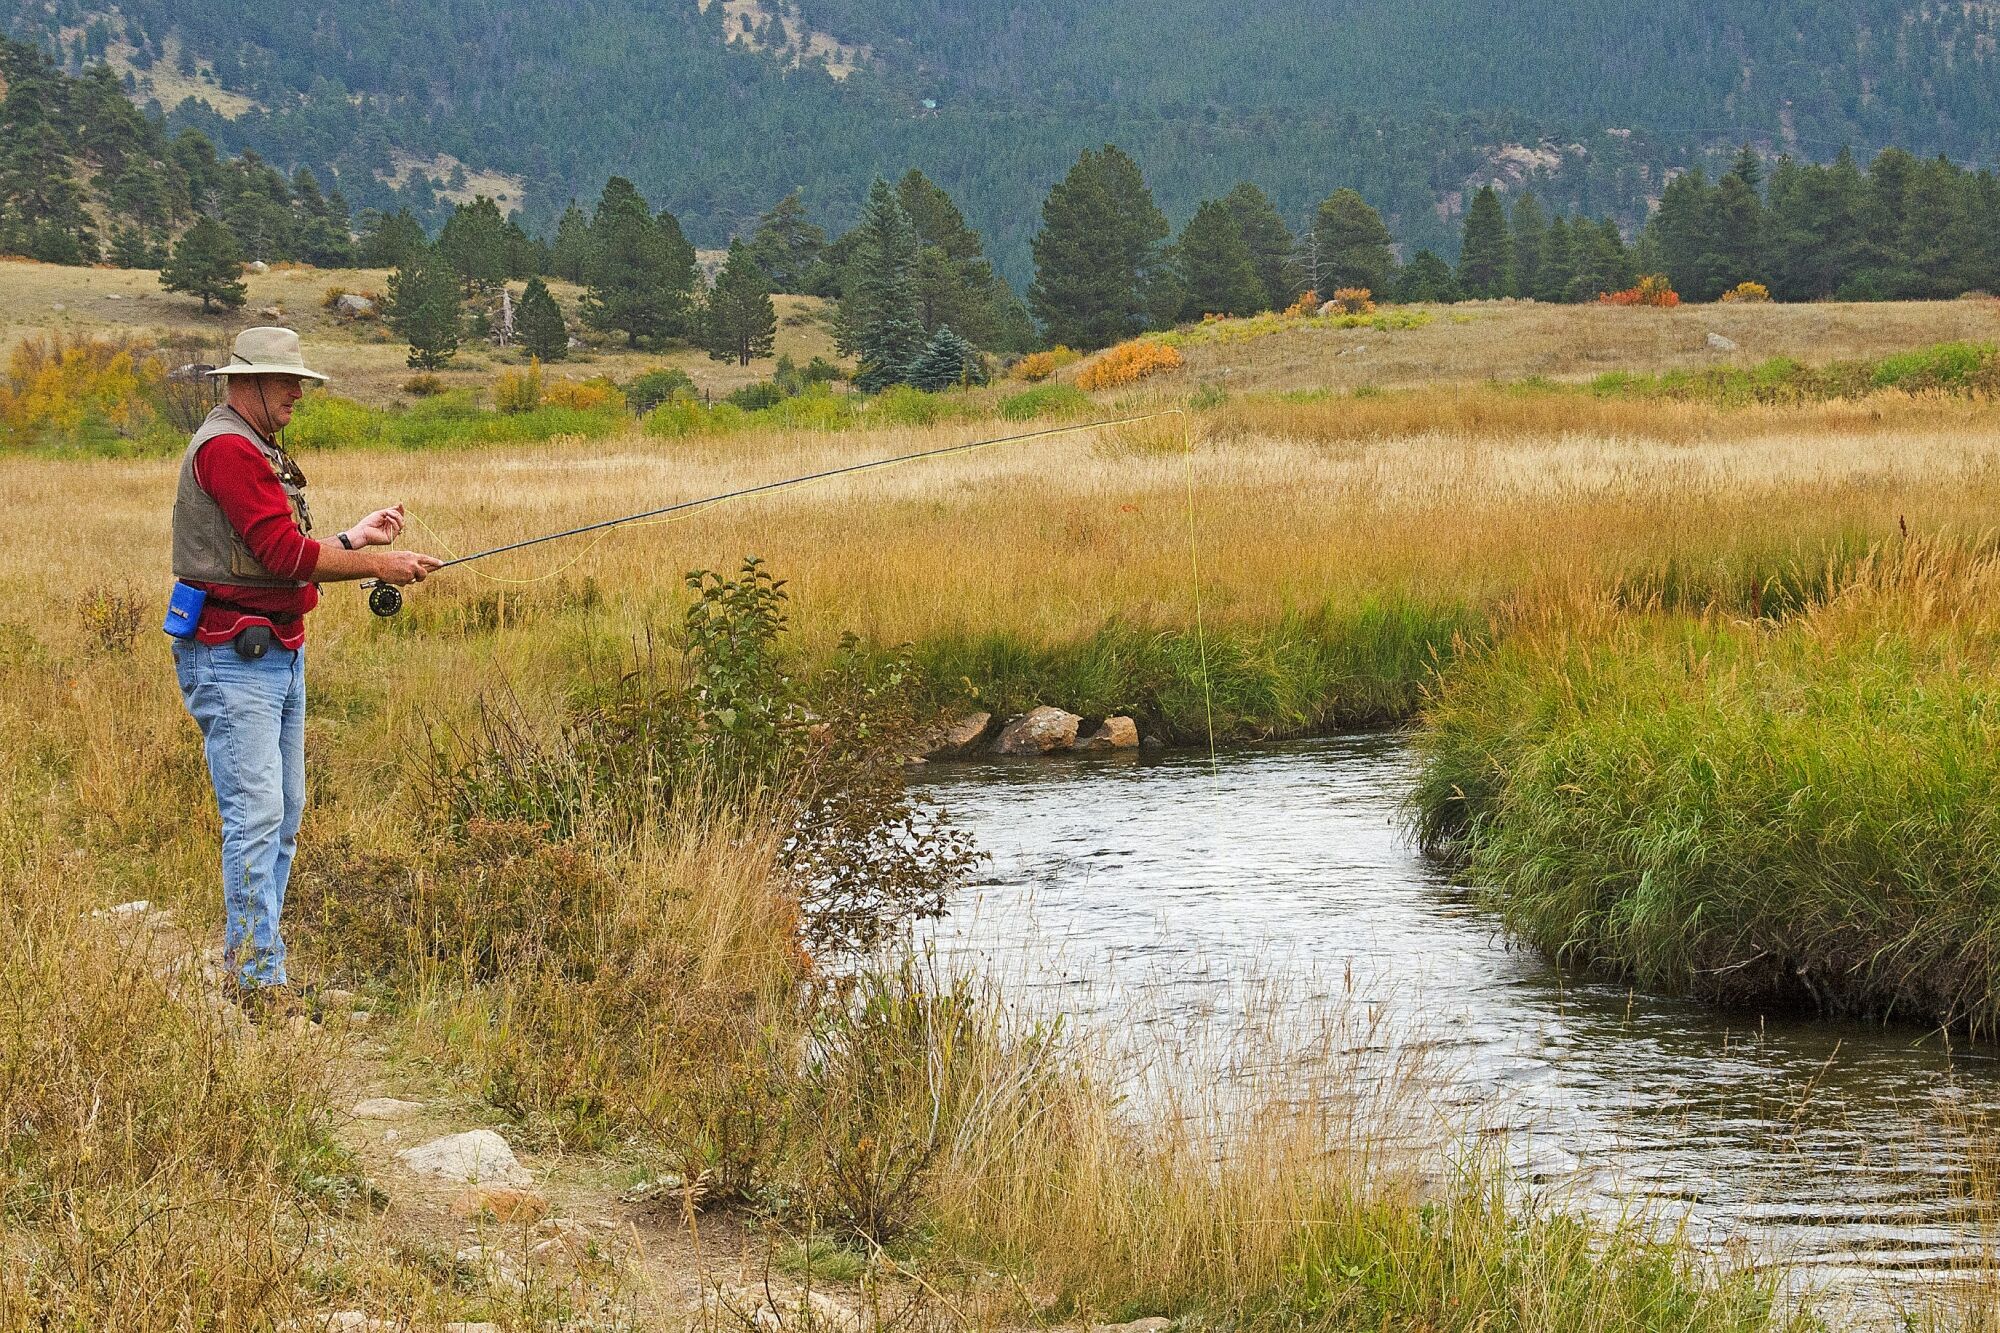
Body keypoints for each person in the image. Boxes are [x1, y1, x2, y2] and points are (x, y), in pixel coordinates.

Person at [170, 326, 440, 1015]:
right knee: (258, 816)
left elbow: (271, 552)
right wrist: (379, 564)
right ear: (247, 381)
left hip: (272, 651)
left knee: (282, 816)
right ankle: (258, 980)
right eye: (285, 379)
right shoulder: (228, 448)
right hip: (234, 657)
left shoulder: (250, 443)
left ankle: (263, 968)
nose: (297, 392)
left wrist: (355, 539)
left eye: (300, 381)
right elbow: (284, 554)